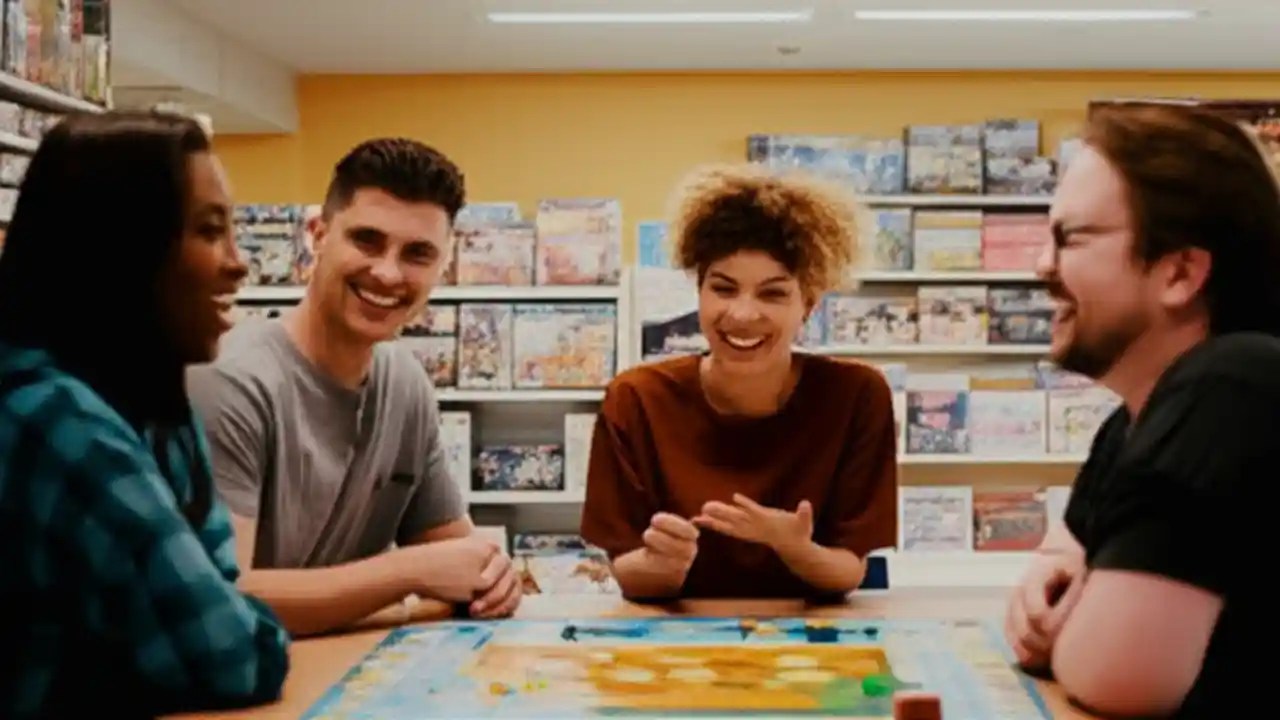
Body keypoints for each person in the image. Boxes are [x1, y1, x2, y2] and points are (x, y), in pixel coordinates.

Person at [0, 111, 289, 717]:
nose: (239, 263)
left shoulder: (156, 405)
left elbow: (220, 588)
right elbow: (231, 655)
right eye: (210, 233)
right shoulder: (56, 421)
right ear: (126, 250)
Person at [1003, 103, 1278, 718]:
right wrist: (1075, 598)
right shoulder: (1133, 418)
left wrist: (1076, 608)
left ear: (1180, 272)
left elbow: (1115, 678)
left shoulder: (1231, 386)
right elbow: (1045, 588)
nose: (1042, 265)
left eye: (1072, 238)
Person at [187, 138, 520, 638]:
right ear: (317, 235)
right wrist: (410, 577)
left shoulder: (406, 385)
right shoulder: (230, 379)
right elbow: (218, 597)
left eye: (417, 254)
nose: (388, 272)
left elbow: (468, 570)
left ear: (442, 267)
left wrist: (494, 579)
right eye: (367, 240)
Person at [580, 162, 899, 601]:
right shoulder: (637, 399)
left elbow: (848, 570)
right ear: (699, 290)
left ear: (808, 303)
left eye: (773, 293)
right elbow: (629, 573)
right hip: (674, 645)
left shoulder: (857, 396)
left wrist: (795, 547)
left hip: (809, 649)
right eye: (724, 289)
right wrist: (662, 566)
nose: (743, 314)